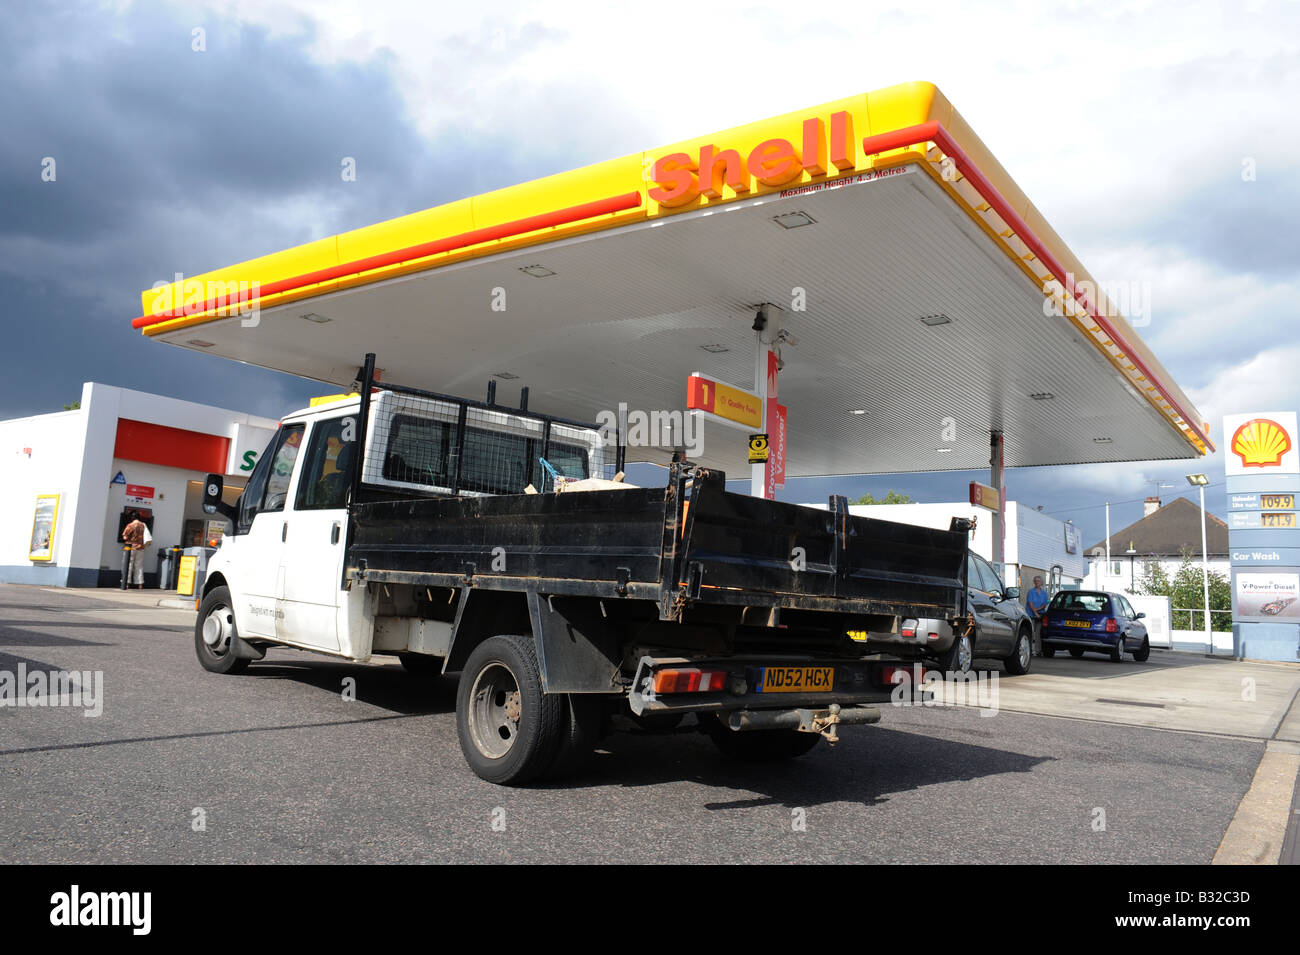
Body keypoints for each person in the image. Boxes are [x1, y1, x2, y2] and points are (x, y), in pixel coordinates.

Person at [121, 511, 149, 589]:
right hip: (141, 548)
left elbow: (125, 537)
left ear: (132, 517)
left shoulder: (130, 525)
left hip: (131, 548)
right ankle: (140, 584)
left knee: (128, 565)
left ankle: (126, 583)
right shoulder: (143, 525)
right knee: (139, 566)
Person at [1026, 575, 1050, 653]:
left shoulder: (1044, 593)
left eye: (1038, 581)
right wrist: (1035, 612)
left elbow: (1044, 604)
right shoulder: (1031, 591)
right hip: (1031, 615)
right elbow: (1030, 603)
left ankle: (1038, 650)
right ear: (1034, 582)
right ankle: (1029, 650)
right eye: (1035, 581)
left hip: (1040, 615)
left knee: (1038, 634)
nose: (1037, 582)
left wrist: (1037, 609)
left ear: (1041, 582)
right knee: (1031, 633)